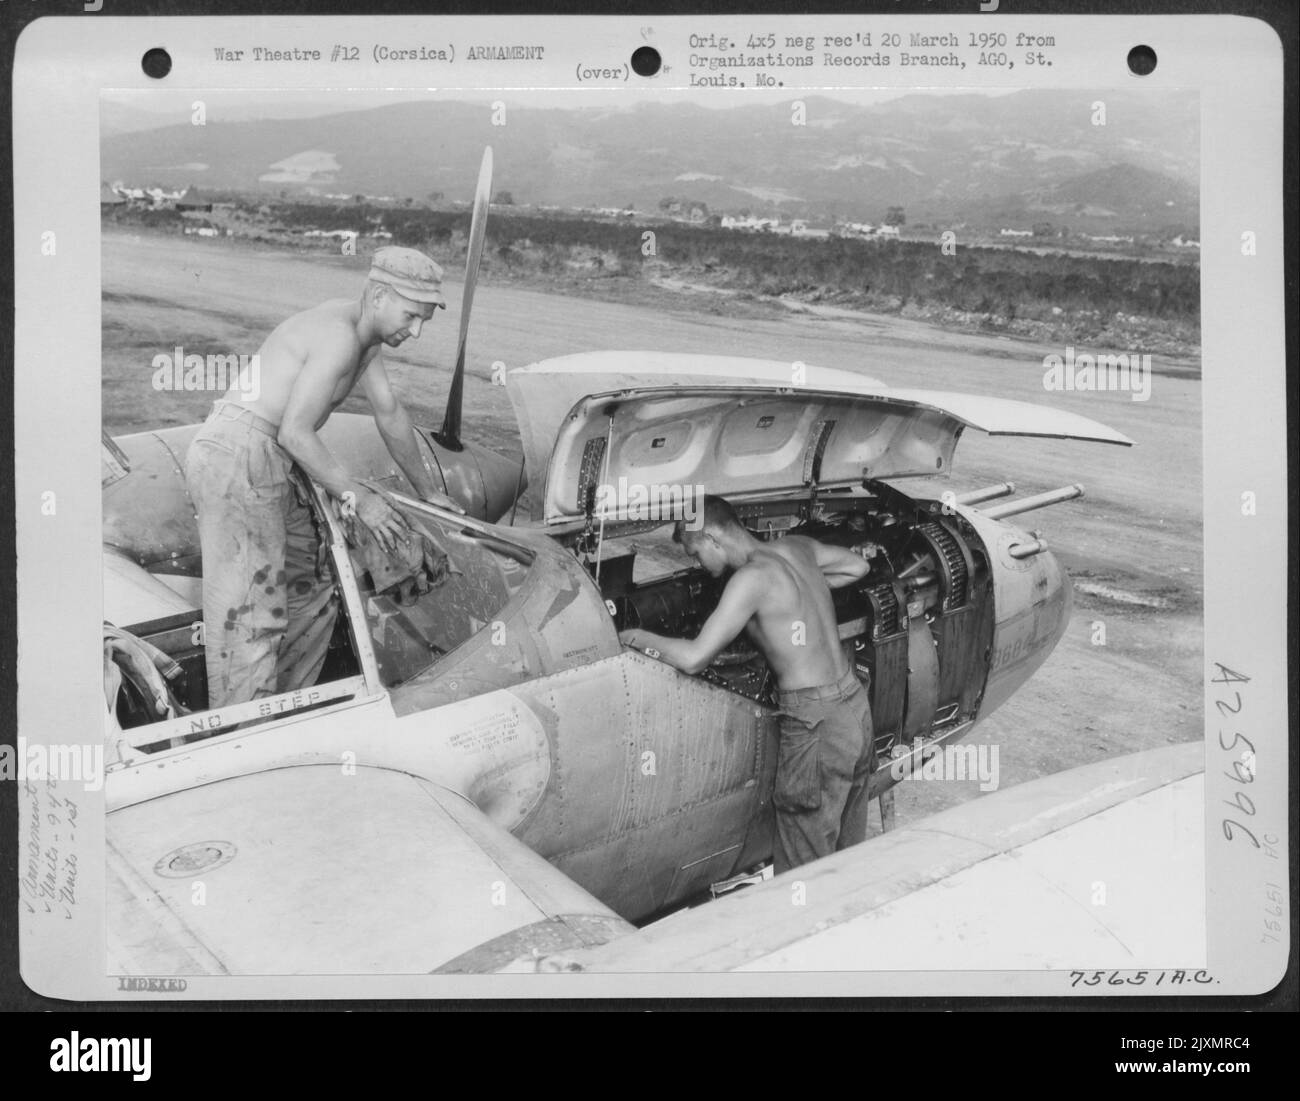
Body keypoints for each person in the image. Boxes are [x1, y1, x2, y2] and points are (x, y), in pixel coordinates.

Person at [185, 246, 460, 709]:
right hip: (241, 454)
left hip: (270, 457)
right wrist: (360, 499)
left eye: (423, 322)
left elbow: (390, 414)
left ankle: (284, 714)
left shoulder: (365, 339)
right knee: (250, 614)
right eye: (411, 316)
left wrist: (429, 491)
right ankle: (241, 739)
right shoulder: (337, 337)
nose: (414, 332)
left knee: (312, 592)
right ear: (378, 295)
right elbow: (296, 432)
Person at [618, 495, 876, 874]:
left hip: (815, 725)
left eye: (695, 553)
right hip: (853, 707)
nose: (698, 565)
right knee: (844, 858)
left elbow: (694, 657)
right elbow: (858, 566)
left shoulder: (750, 580)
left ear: (712, 539)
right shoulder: (796, 547)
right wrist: (795, 601)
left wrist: (636, 636)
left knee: (803, 866)